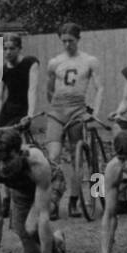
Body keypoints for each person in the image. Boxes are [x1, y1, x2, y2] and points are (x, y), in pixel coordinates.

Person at [44, 22, 103, 218]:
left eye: (71, 40)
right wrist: (56, 103)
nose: (67, 44)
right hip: (57, 111)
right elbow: (49, 89)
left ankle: (75, 201)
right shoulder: (54, 62)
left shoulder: (89, 60)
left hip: (78, 111)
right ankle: (53, 200)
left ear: (78, 39)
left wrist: (95, 111)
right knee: (53, 157)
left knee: (79, 159)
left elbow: (99, 88)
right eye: (64, 41)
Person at [0, 32, 40, 132]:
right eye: (5, 49)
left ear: (19, 48)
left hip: (23, 111)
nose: (8, 52)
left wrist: (30, 114)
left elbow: (32, 90)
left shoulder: (30, 63)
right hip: (7, 111)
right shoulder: (2, 70)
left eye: (11, 48)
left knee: (13, 138)